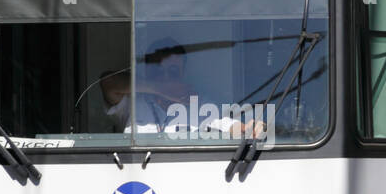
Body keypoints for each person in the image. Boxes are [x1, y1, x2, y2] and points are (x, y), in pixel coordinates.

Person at [99, 40, 266, 139]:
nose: (165, 77)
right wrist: (160, 89)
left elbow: (232, 126)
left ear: (182, 73)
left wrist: (251, 128)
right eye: (158, 70)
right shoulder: (132, 103)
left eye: (172, 71)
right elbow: (107, 82)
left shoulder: (200, 106)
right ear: (148, 72)